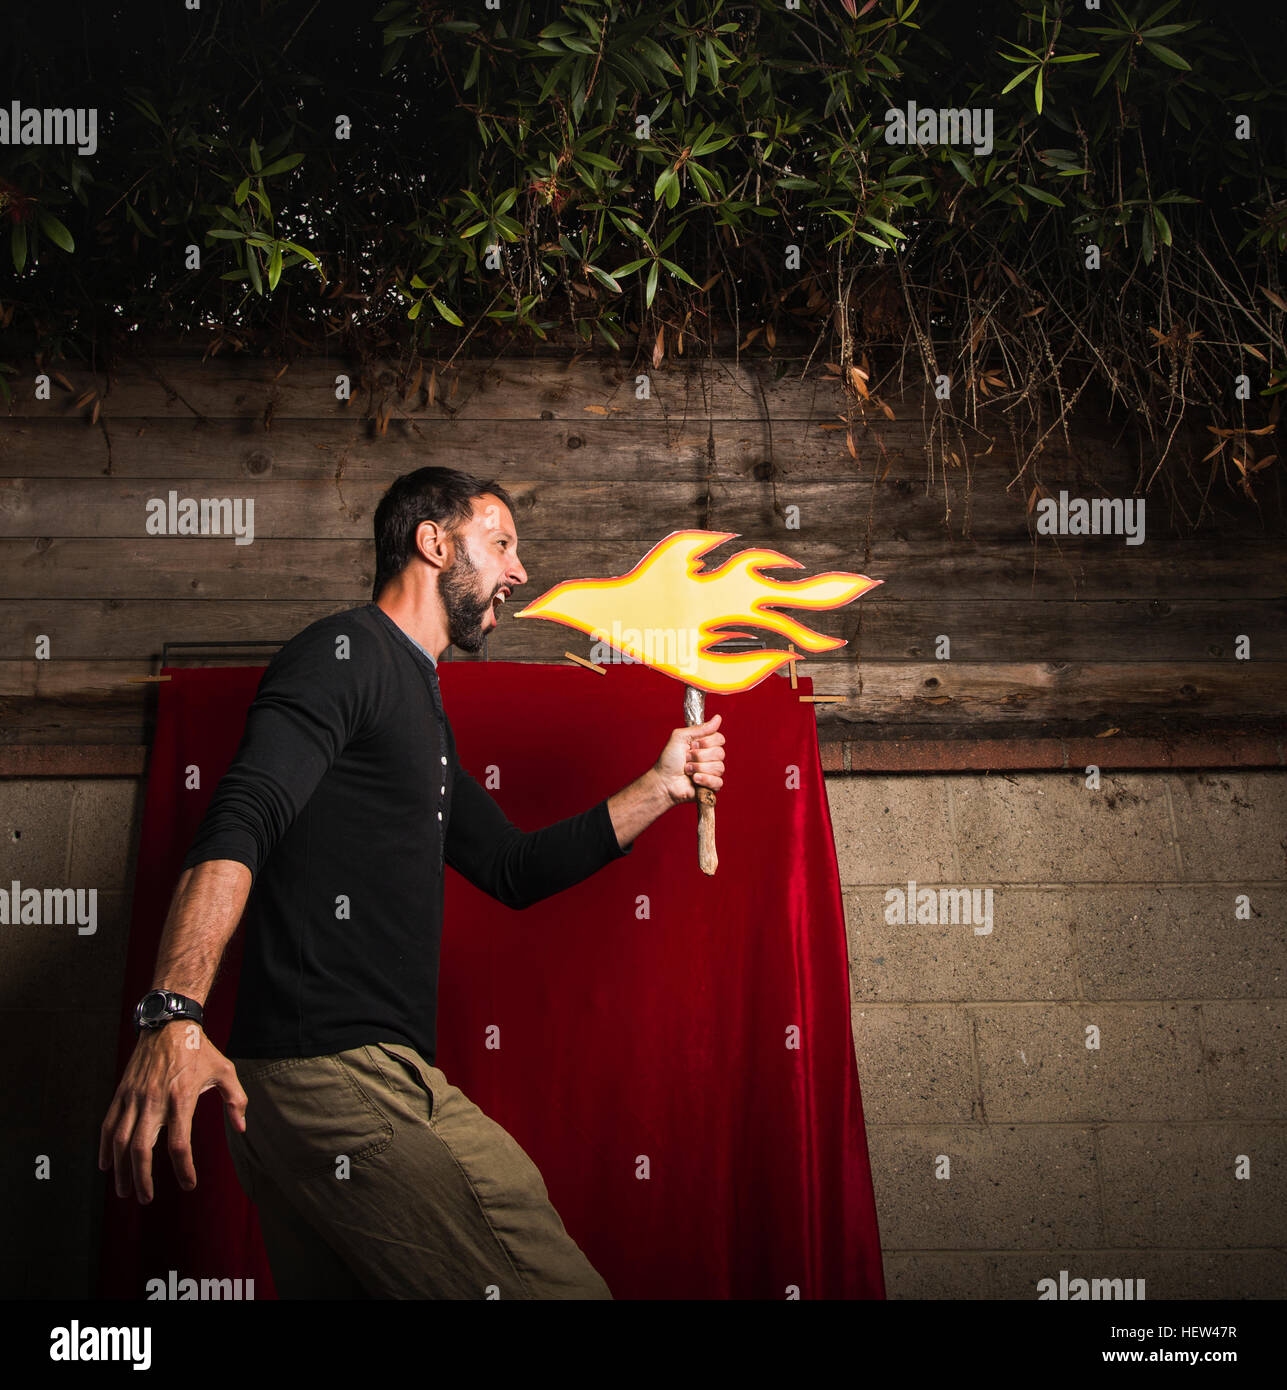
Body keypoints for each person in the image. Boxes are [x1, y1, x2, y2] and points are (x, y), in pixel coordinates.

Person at [98, 466, 725, 1299]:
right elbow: (240, 818)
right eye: (500, 543)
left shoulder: (419, 710)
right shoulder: (341, 653)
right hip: (340, 1077)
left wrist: (661, 786)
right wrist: (172, 1014)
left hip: (298, 1096)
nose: (519, 571)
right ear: (434, 544)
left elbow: (511, 868)